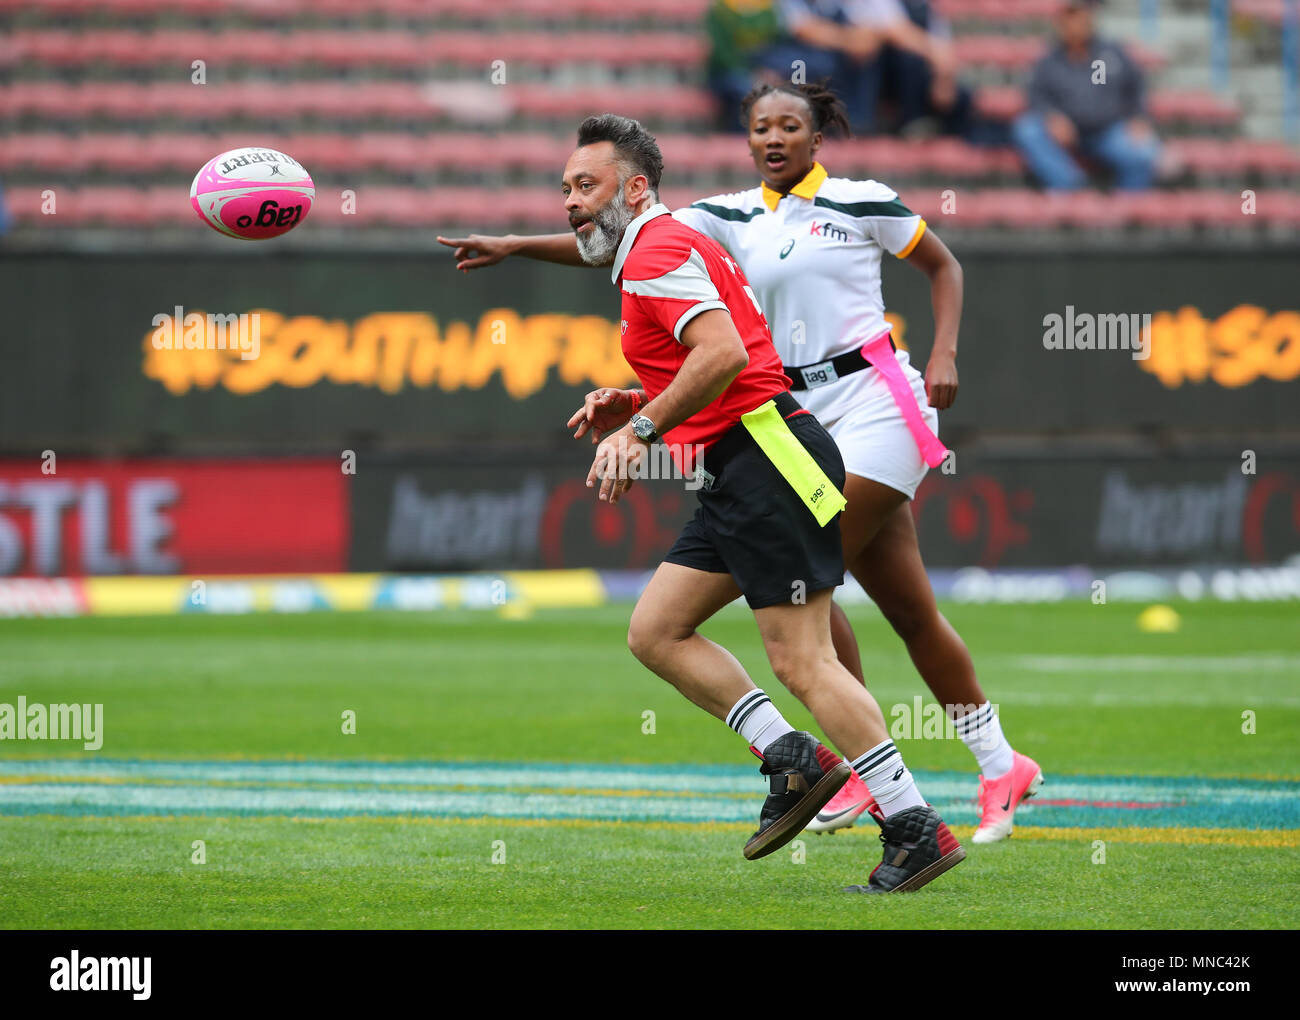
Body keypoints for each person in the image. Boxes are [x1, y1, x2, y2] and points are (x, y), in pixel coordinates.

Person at [438, 86, 1043, 846]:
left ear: (818, 137)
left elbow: (725, 349)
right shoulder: (706, 224)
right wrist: (631, 391)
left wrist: (643, 429)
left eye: (583, 187)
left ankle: (892, 800)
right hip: (768, 432)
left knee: (806, 644)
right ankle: (838, 759)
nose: (773, 137)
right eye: (760, 126)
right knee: (677, 627)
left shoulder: (847, 205)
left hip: (843, 415)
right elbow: (692, 320)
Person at [1011, 0, 1160, 191]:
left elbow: (1135, 86)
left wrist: (1138, 117)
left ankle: (1126, 212)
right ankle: (1070, 186)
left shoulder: (1110, 53)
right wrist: (1051, 116)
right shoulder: (1049, 61)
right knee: (1027, 129)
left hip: (1108, 132)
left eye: (1080, 17)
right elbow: (1036, 95)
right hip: (1067, 134)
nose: (1076, 25)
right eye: (1070, 18)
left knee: (1144, 153)